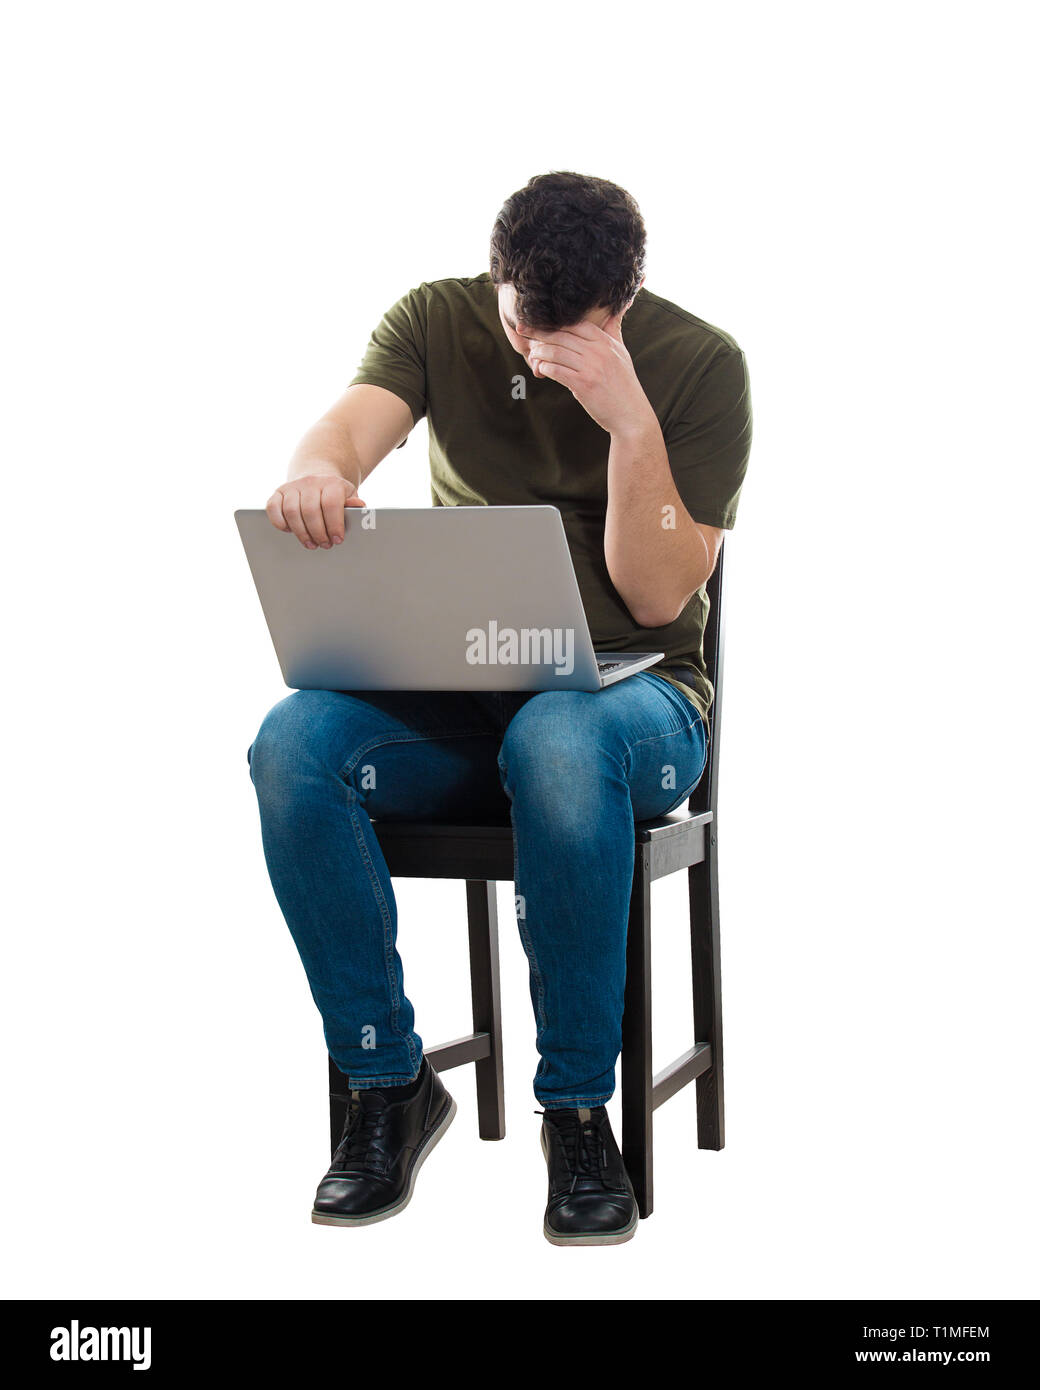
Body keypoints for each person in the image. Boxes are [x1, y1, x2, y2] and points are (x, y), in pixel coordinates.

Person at [246, 170, 752, 1245]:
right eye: (523, 322)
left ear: (626, 300)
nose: (538, 351)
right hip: (473, 703)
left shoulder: (703, 364)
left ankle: (576, 1113)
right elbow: (345, 433)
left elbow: (657, 598)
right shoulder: (436, 319)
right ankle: (386, 1082)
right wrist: (317, 474)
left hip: (639, 708)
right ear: (496, 279)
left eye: (573, 332)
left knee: (558, 738)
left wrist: (628, 424)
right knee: (293, 744)